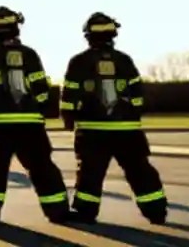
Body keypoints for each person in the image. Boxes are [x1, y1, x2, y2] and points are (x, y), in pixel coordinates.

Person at [0, 6, 70, 223]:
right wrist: (37, 111)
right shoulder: (29, 54)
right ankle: (58, 211)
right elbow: (42, 89)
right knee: (42, 167)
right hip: (30, 125)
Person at [61, 12, 167, 224]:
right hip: (128, 131)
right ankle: (156, 211)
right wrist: (132, 117)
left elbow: (69, 95)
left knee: (90, 174)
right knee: (140, 170)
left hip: (92, 131)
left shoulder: (79, 62)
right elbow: (138, 95)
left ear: (88, 35)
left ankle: (86, 212)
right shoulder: (124, 60)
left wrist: (68, 118)